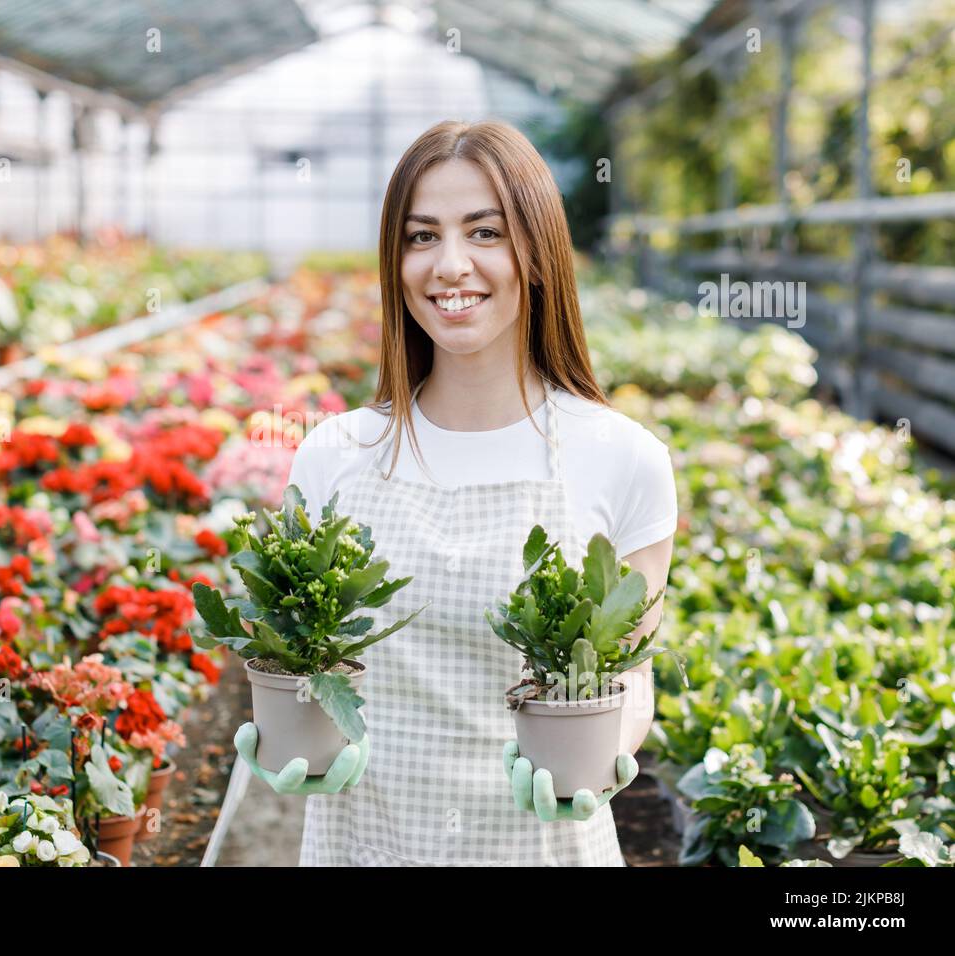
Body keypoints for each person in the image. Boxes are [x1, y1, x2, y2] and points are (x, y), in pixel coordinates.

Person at [237, 119, 677, 866]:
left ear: (535, 253)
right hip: (361, 843)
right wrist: (281, 727)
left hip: (544, 847)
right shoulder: (334, 455)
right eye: (420, 237)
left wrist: (602, 762)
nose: (449, 265)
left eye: (485, 233)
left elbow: (627, 672)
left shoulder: (621, 456)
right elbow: (298, 660)